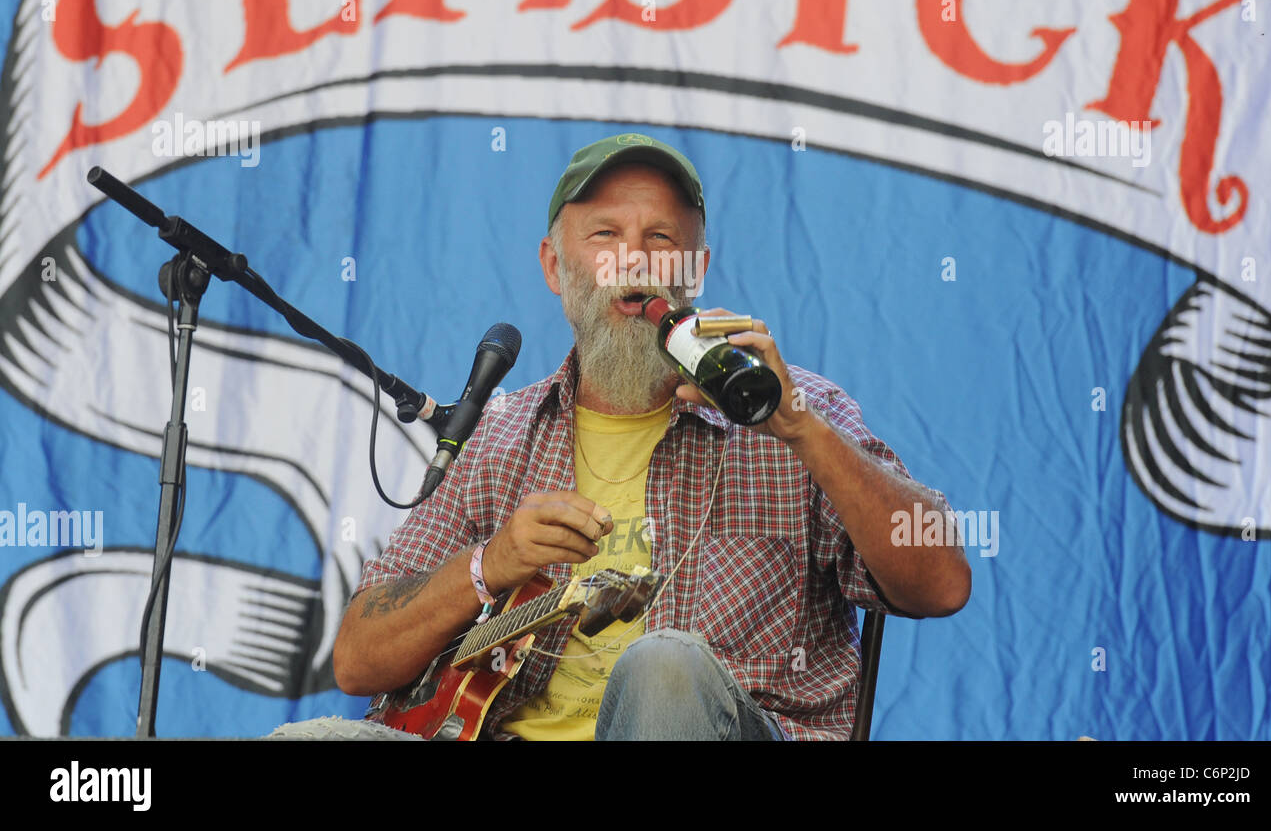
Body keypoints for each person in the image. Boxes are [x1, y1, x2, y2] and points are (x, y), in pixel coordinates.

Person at [326, 132, 970, 741]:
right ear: (555, 266)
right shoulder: (498, 438)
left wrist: (801, 430)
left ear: (696, 270)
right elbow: (357, 661)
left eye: (660, 238)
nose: (633, 258)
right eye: (605, 235)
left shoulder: (794, 411)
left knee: (664, 669)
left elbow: (942, 584)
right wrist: (489, 565)